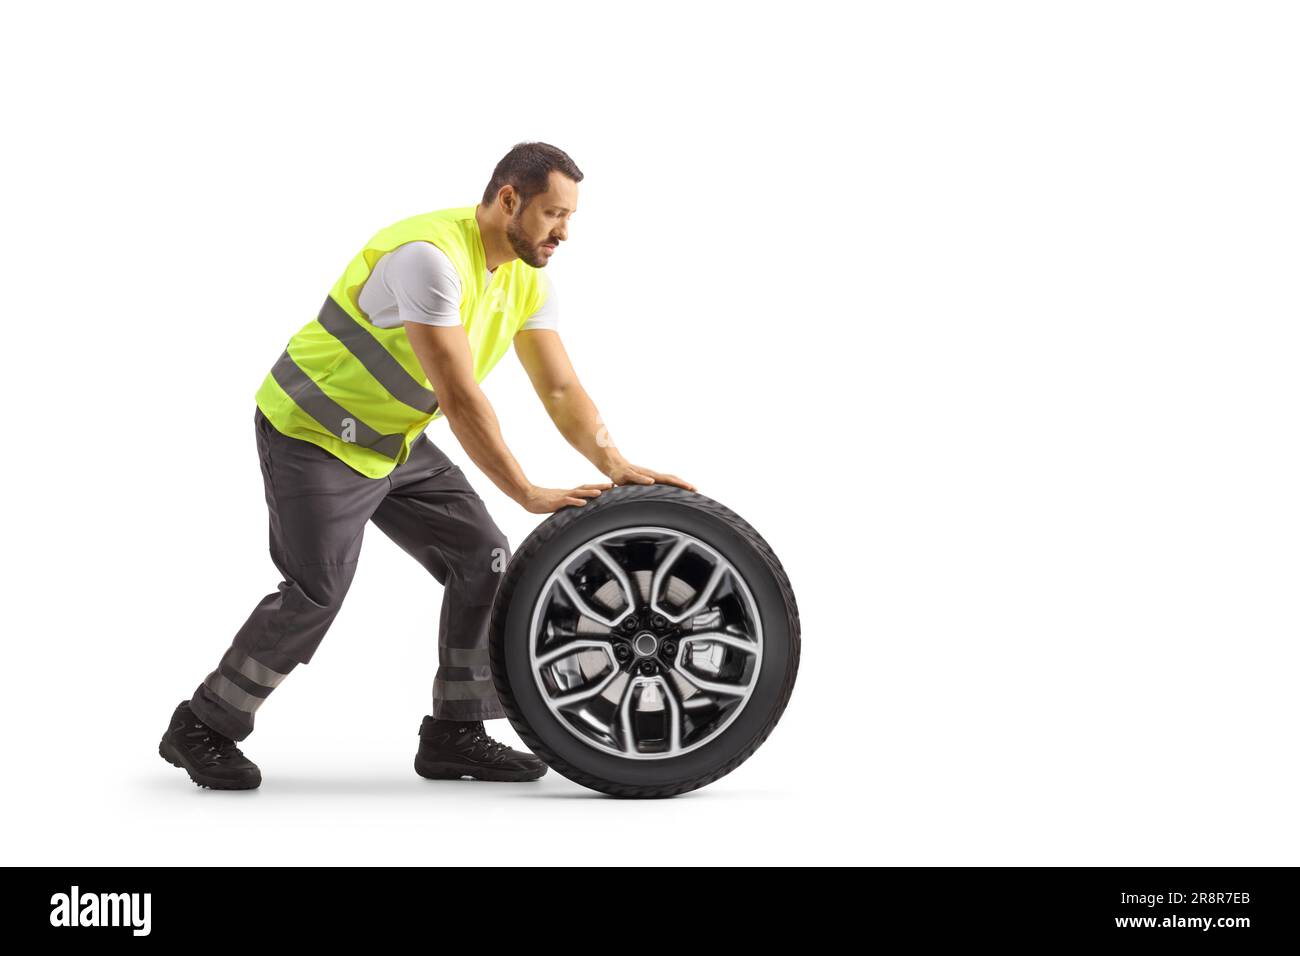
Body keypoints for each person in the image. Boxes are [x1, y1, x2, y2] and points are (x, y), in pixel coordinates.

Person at [159, 142, 695, 790]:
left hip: (392, 439)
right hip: (316, 432)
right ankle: (204, 725)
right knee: (316, 594)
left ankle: (455, 733)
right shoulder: (429, 259)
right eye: (554, 214)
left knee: (485, 557)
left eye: (569, 216)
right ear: (508, 200)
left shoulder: (527, 280)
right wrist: (523, 489)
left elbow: (559, 388)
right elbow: (460, 396)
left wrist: (616, 463)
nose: (564, 232)